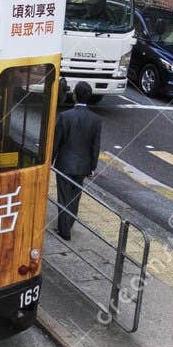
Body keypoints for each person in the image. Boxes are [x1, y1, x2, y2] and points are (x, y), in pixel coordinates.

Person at [52, 82, 104, 240]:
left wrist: (49, 160)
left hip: (64, 164)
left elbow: (56, 142)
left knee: (63, 196)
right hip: (83, 166)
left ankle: (64, 230)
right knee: (75, 197)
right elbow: (95, 146)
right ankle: (69, 224)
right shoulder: (96, 120)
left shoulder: (65, 116)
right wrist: (93, 167)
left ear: (74, 95)